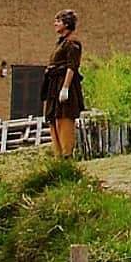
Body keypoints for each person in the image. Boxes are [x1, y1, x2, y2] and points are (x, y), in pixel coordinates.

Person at [41, 9, 84, 157]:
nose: (55, 24)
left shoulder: (72, 43)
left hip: (64, 83)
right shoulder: (60, 43)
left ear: (66, 24)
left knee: (64, 118)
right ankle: (58, 154)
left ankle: (66, 154)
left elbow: (72, 66)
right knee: (53, 118)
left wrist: (65, 87)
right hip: (54, 84)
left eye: (58, 21)